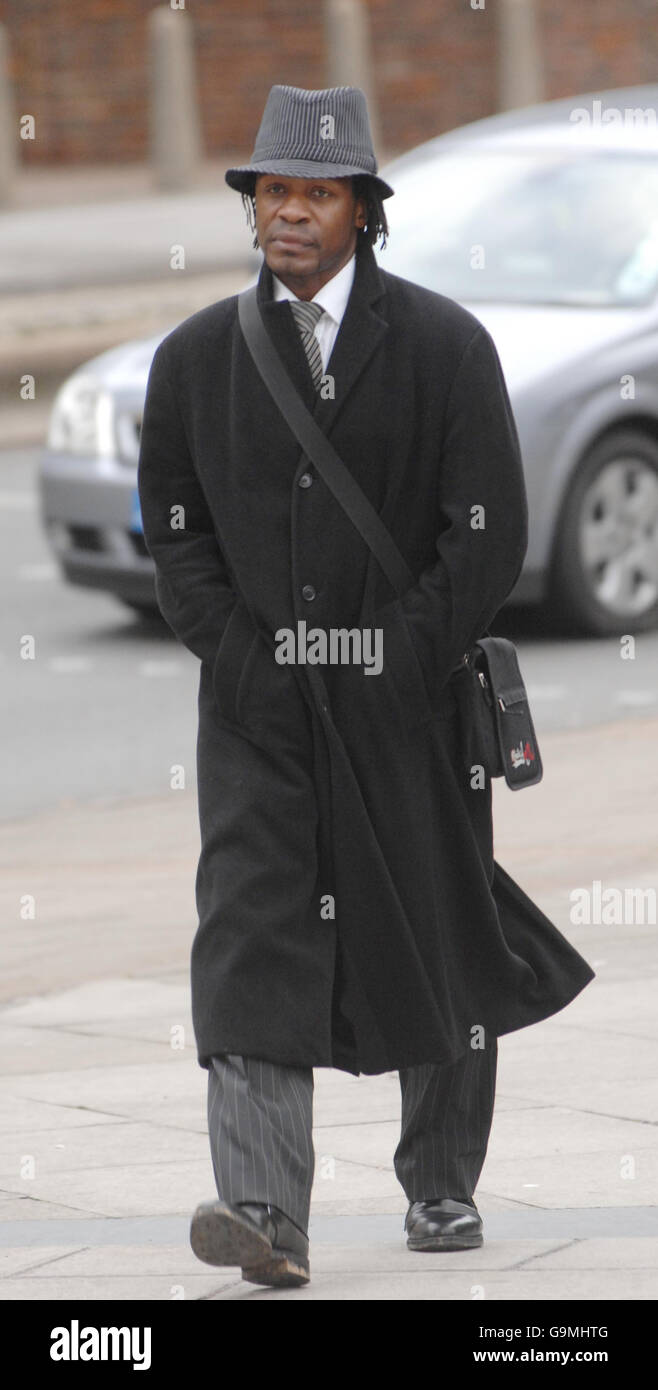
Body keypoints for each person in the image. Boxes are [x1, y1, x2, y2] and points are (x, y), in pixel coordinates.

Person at [137, 84, 594, 1289]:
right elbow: (176, 540)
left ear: (361, 211)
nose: (290, 213)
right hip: (256, 718)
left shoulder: (447, 347)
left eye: (316, 193)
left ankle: (439, 1182)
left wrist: (395, 658)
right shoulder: (191, 362)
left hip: (412, 705)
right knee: (249, 943)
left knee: (435, 927)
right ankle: (262, 1211)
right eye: (272, 191)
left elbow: (484, 535)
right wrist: (243, 658)